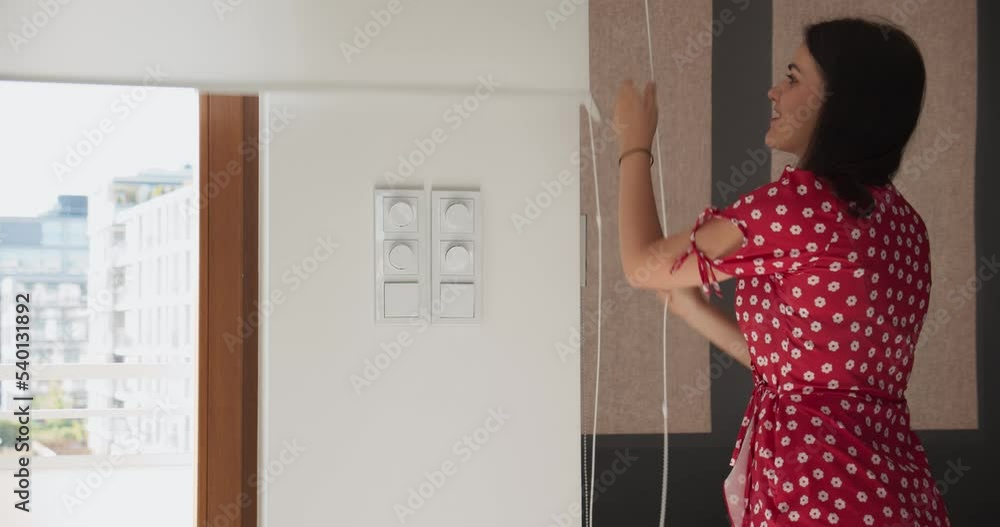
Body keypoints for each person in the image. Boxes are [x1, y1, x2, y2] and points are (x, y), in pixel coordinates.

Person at [613, 17, 951, 526]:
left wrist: (633, 145)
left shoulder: (797, 207)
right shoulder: (904, 224)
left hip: (818, 491)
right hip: (893, 492)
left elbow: (643, 264)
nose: (774, 92)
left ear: (840, 103)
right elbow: (803, 368)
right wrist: (687, 306)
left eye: (792, 78)